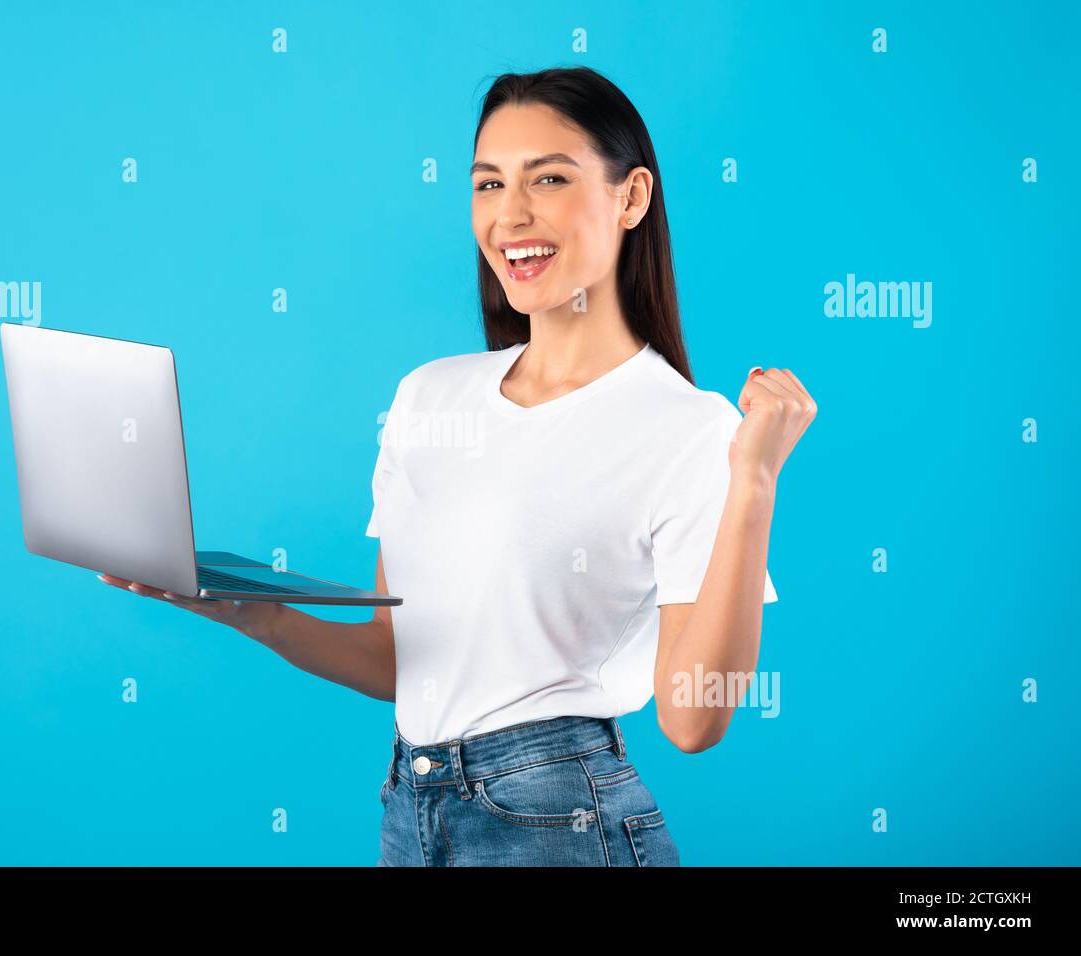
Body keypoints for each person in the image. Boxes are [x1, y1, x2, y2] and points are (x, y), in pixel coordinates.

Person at [100, 65, 816, 866]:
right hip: (411, 807)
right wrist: (251, 610)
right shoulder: (427, 397)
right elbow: (400, 657)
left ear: (631, 198)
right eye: (488, 184)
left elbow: (693, 718)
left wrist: (753, 482)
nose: (511, 215)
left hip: (559, 821)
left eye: (548, 178)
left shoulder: (689, 428)